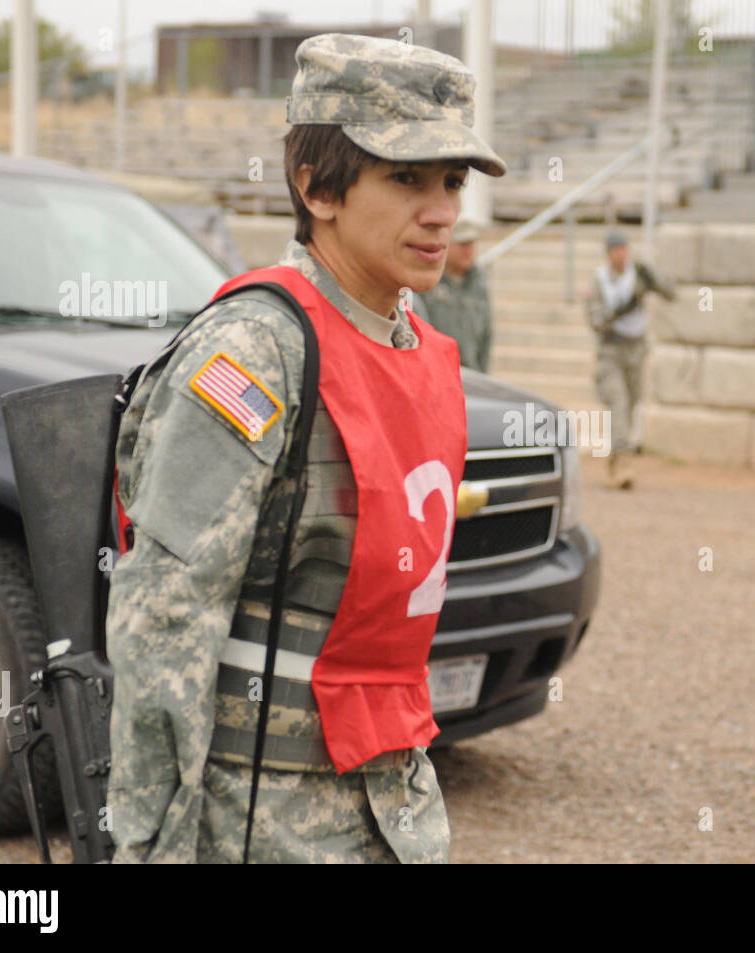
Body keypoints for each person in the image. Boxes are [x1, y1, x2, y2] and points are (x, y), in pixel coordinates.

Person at [105, 33, 505, 863]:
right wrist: (151, 844)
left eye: (452, 181)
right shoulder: (255, 353)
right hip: (258, 822)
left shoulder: (416, 347)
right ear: (316, 184)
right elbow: (166, 616)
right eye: (406, 178)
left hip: (390, 807)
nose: (441, 211)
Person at [583, 229, 675, 489]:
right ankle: (624, 462)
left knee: (632, 403)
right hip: (611, 349)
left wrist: (653, 278)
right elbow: (595, 319)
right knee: (618, 402)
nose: (621, 255)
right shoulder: (599, 280)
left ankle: (615, 459)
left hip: (636, 349)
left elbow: (670, 293)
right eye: (616, 250)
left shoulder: (638, 274)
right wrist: (618, 311)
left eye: (624, 249)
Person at [411, 218, 493, 372]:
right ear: (447, 246)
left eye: (471, 245)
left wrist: (483, 374)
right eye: (462, 245)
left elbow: (486, 336)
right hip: (437, 369)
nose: (468, 251)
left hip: (471, 372)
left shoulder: (479, 284)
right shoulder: (429, 282)